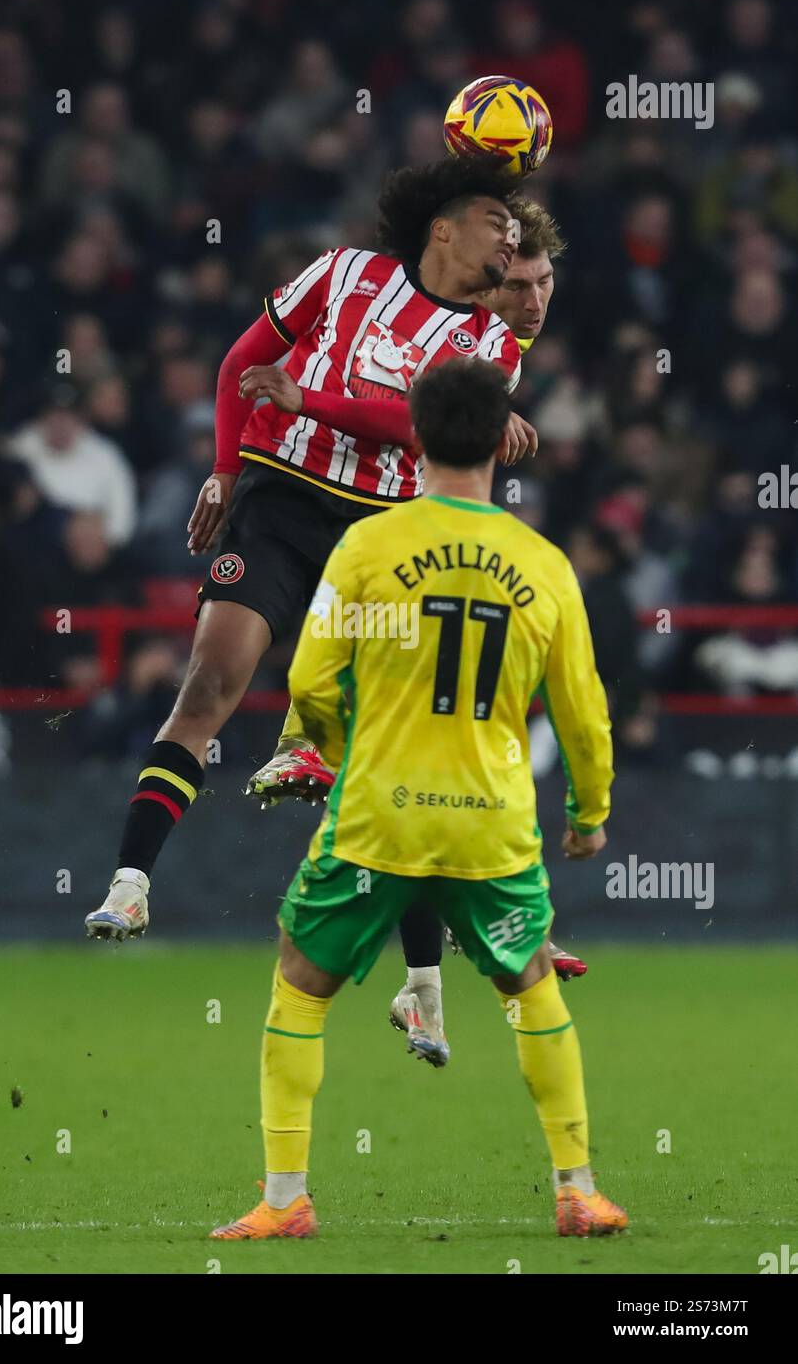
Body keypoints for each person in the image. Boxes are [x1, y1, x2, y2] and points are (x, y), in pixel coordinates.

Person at [209, 357, 626, 1241]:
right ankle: (577, 1190)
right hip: (493, 825)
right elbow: (584, 709)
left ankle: (285, 1200)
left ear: (417, 437)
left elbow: (313, 678)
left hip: (378, 818)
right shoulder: (543, 565)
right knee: (532, 988)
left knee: (300, 983)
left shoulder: (369, 547)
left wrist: (326, 752)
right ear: (500, 444)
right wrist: (588, 815)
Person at [84, 156, 536, 940]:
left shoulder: (492, 341)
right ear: (444, 228)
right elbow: (238, 364)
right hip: (282, 500)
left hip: (384, 531)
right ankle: (129, 883)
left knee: (399, 744)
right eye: (497, 221)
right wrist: (225, 473)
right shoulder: (344, 272)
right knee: (211, 682)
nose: (510, 238)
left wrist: (310, 399)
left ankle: (420, 975)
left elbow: (419, 427)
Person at [250, 196, 584, 1065]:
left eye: (546, 282)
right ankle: (438, 980)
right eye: (520, 280)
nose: (535, 298)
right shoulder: (446, 321)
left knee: (424, 773)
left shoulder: (491, 346)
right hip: (405, 551)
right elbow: (410, 409)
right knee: (413, 772)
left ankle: (433, 982)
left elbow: (434, 403)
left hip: (445, 561)